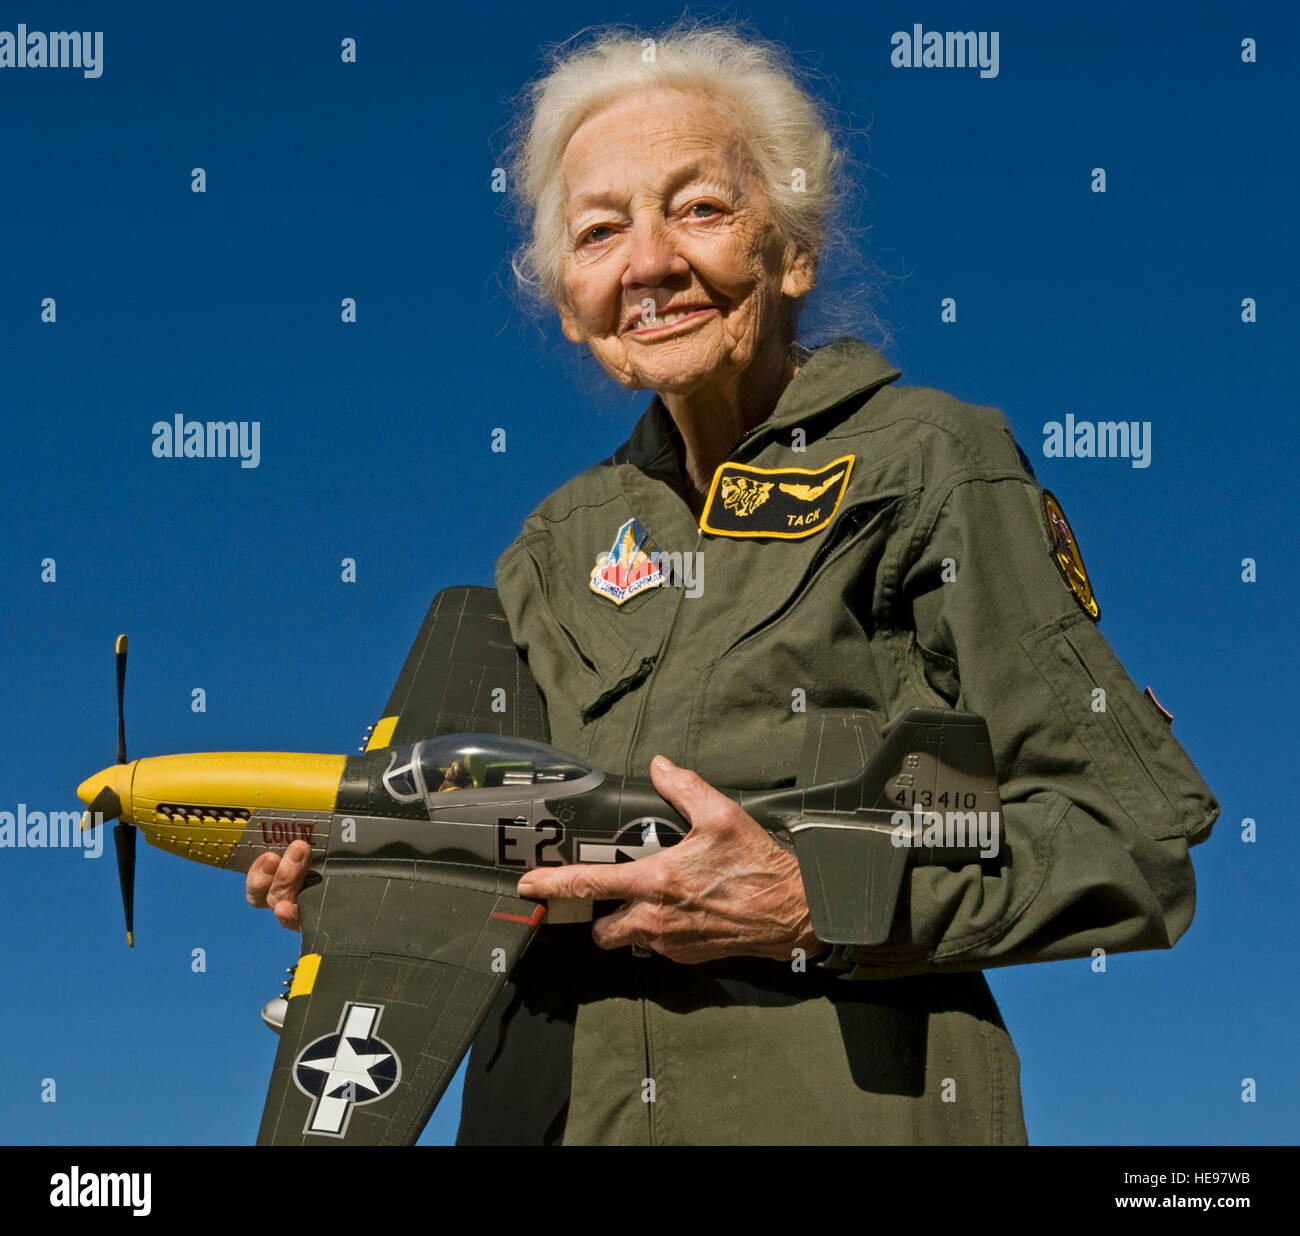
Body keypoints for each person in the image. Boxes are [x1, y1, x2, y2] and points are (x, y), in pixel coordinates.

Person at [247, 20, 1218, 1145]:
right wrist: (370, 881)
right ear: (569, 302)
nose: (650, 263)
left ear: (792, 252)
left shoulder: (931, 462)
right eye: (600, 231)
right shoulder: (554, 542)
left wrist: (813, 906)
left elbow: (1129, 838)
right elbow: (505, 844)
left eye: (699, 208)